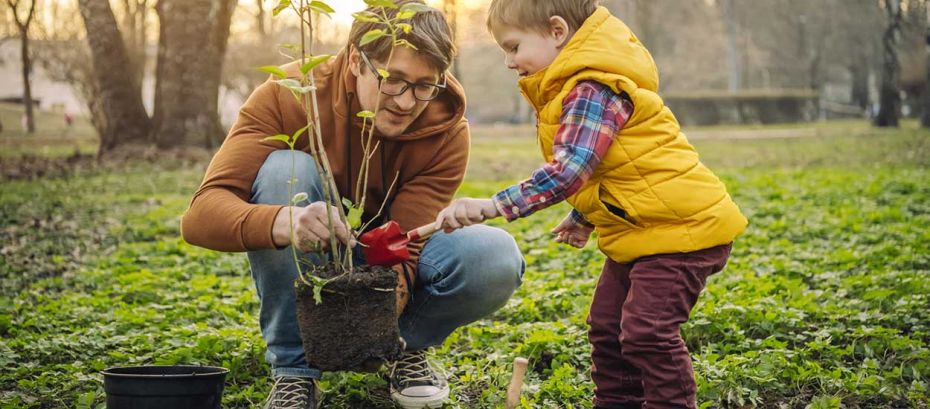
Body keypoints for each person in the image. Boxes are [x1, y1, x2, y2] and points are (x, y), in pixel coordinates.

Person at [180, 2, 525, 408]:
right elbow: (200, 217)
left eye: (424, 85)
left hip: (382, 256)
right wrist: (283, 220)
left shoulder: (444, 128)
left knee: (494, 256)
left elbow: (407, 245)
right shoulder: (289, 96)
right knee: (283, 168)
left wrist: (376, 324)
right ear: (357, 61)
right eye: (393, 80)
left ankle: (402, 348)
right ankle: (296, 370)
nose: (407, 101)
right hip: (312, 249)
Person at [434, 1, 748, 408]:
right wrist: (584, 215)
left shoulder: (592, 88)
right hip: (642, 230)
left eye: (513, 47)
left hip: (681, 232)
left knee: (646, 331)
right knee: (606, 326)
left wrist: (494, 205)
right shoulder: (570, 88)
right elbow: (612, 165)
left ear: (556, 31)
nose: (509, 62)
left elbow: (570, 170)